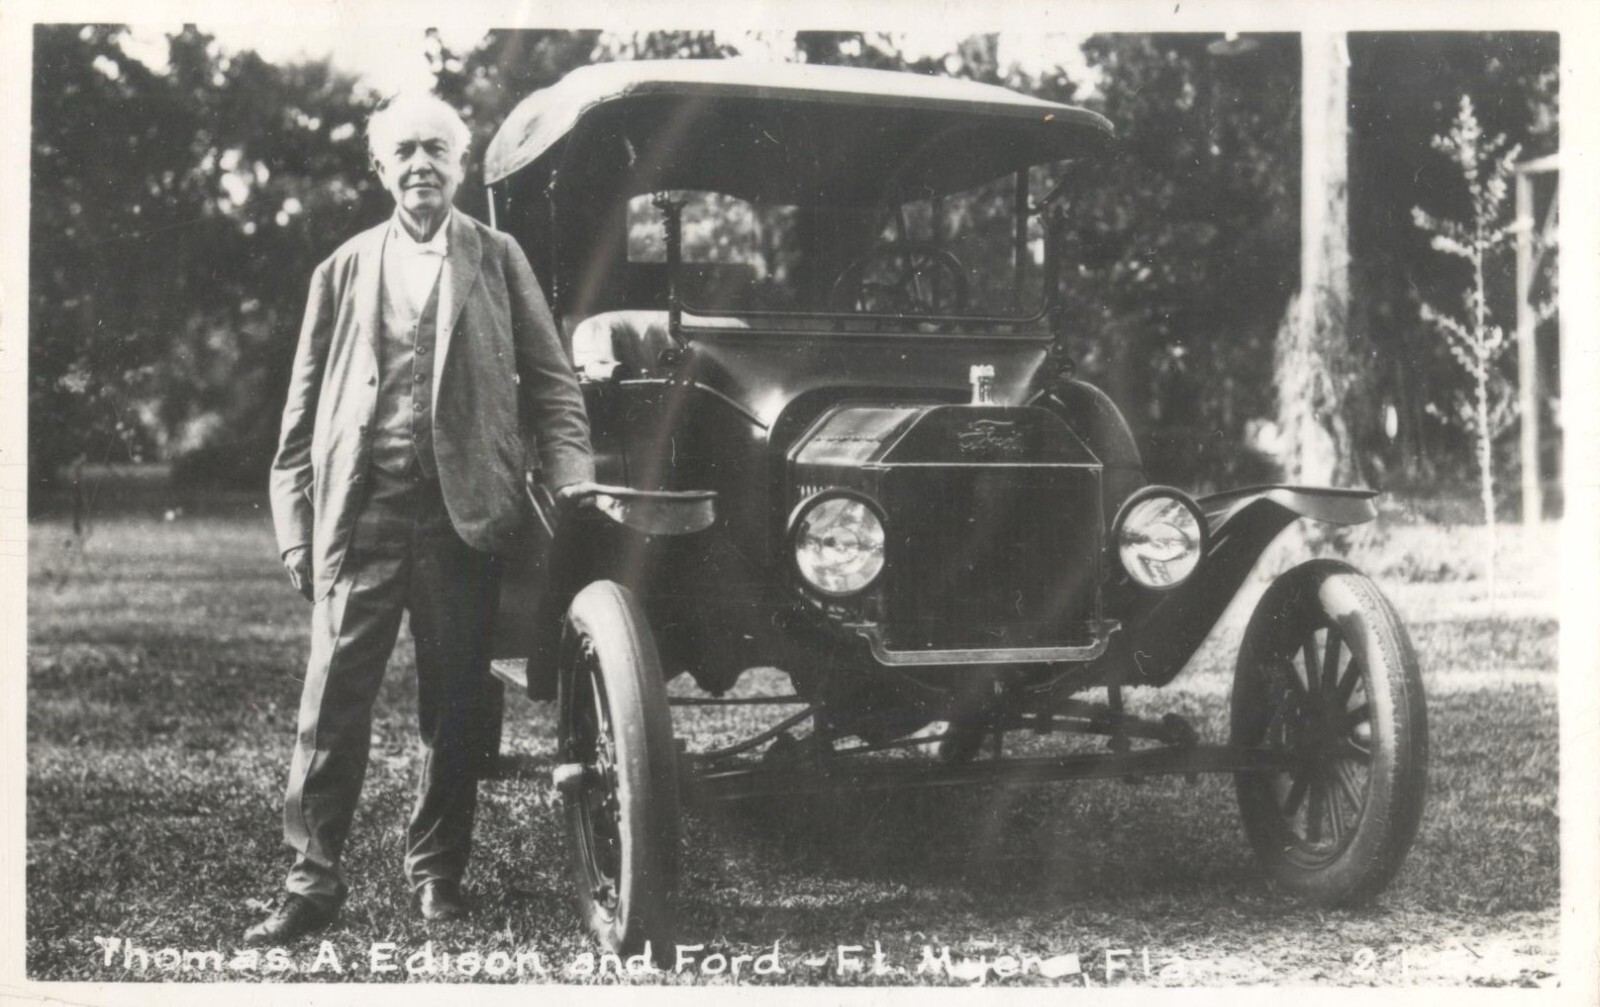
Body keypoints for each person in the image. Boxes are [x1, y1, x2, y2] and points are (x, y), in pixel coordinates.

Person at [246, 92, 593, 945]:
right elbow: (296, 426)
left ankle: (438, 872)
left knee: (457, 707)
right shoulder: (342, 269)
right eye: (402, 152)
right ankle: (309, 880)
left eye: (435, 150)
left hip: (463, 520)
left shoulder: (498, 258)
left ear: (459, 162)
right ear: (380, 168)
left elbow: (555, 390)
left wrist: (574, 490)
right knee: (331, 704)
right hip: (361, 516)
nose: (419, 166)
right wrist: (296, 528)